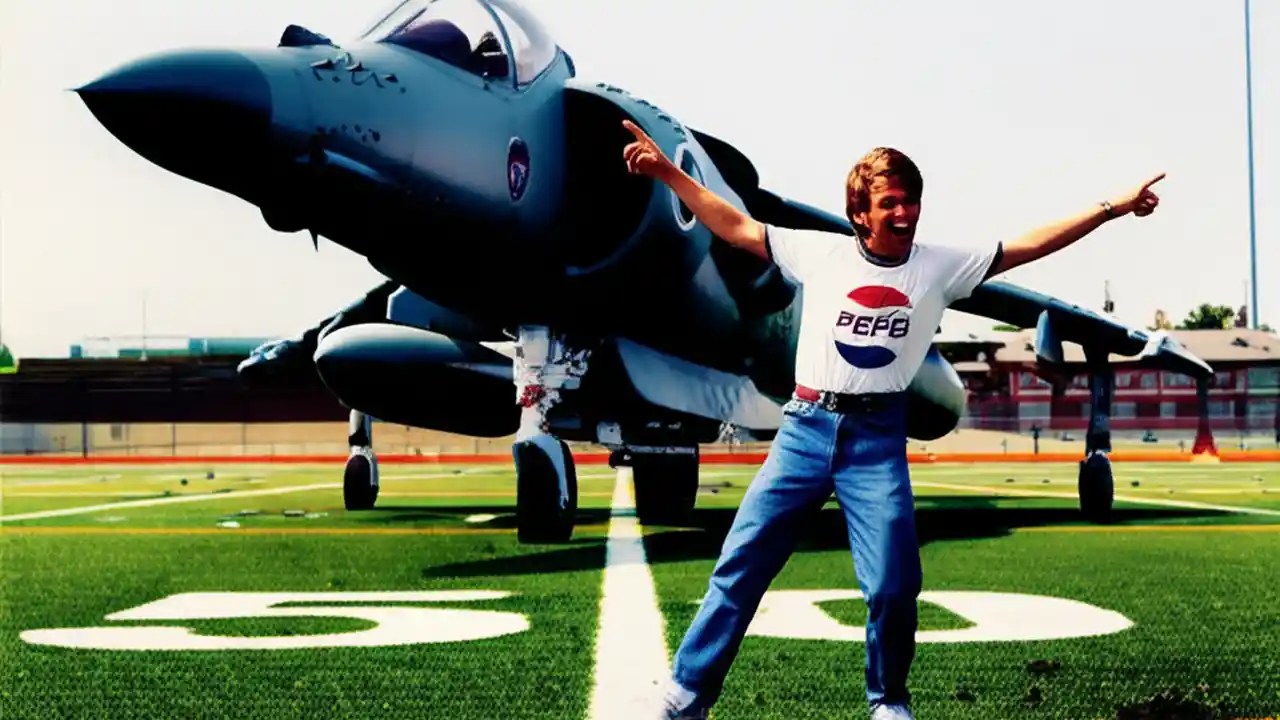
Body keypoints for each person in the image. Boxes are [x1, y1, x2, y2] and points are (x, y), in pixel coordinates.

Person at [620, 119, 1163, 720]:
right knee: (740, 568)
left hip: (876, 441)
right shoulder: (818, 251)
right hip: (803, 430)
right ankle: (686, 695)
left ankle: (889, 703)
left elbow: (1030, 245)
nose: (905, 214)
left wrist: (1111, 208)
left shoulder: (939, 266)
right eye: (890, 203)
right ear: (860, 213)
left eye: (912, 201)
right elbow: (737, 226)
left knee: (895, 585)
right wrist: (667, 172)